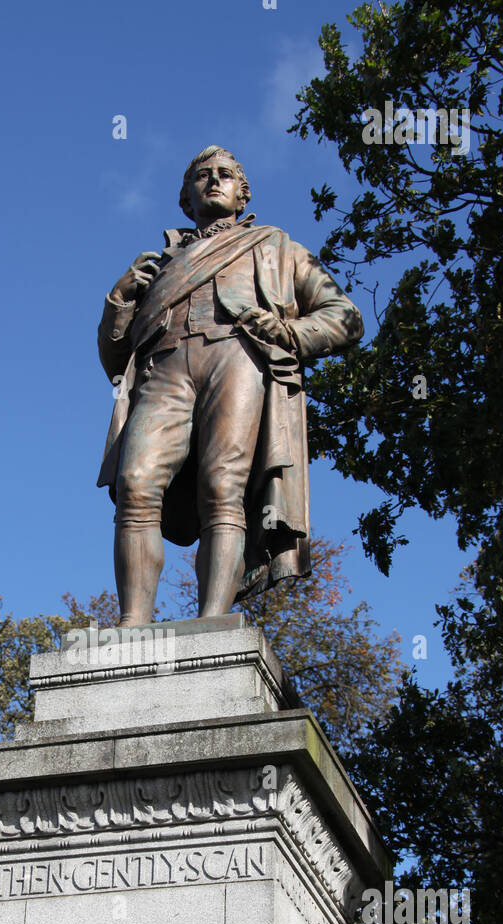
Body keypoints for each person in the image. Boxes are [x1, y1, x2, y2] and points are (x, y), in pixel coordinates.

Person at [97, 145, 364, 625]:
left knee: (224, 487)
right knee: (135, 482)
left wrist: (290, 333)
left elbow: (344, 317)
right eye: (202, 175)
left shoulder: (275, 245)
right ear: (186, 197)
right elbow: (117, 362)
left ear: (242, 193)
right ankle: (133, 624)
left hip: (237, 357)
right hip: (165, 368)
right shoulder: (156, 265)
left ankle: (212, 622)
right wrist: (119, 301)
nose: (213, 181)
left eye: (225, 175)